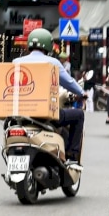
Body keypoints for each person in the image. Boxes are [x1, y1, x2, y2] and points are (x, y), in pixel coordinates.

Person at [13, 29, 85, 167]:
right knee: (79, 115)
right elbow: (69, 82)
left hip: (19, 112)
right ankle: (71, 157)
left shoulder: (16, 61)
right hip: (45, 114)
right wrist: (82, 93)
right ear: (48, 45)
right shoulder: (53, 62)